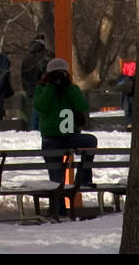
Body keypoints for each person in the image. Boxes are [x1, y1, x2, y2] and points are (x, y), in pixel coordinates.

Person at [34, 57, 98, 216]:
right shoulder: (42, 89)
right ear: (47, 75)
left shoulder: (71, 89)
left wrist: (68, 87)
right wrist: (50, 85)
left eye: (61, 74)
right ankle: (58, 209)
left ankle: (83, 178)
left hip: (71, 135)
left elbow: (83, 105)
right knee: (56, 179)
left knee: (90, 141)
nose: (58, 78)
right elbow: (41, 106)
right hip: (52, 138)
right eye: (54, 74)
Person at [21, 33, 52, 130]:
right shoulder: (47, 56)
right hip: (44, 87)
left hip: (30, 88)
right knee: (42, 111)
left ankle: (33, 129)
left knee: (35, 109)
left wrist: (26, 88)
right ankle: (38, 129)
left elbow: (23, 75)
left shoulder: (26, 57)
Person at [117, 55, 136, 130]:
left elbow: (119, 85)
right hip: (132, 93)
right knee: (132, 109)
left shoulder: (123, 74)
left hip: (126, 93)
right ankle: (131, 123)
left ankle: (128, 124)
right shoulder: (135, 72)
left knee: (127, 110)